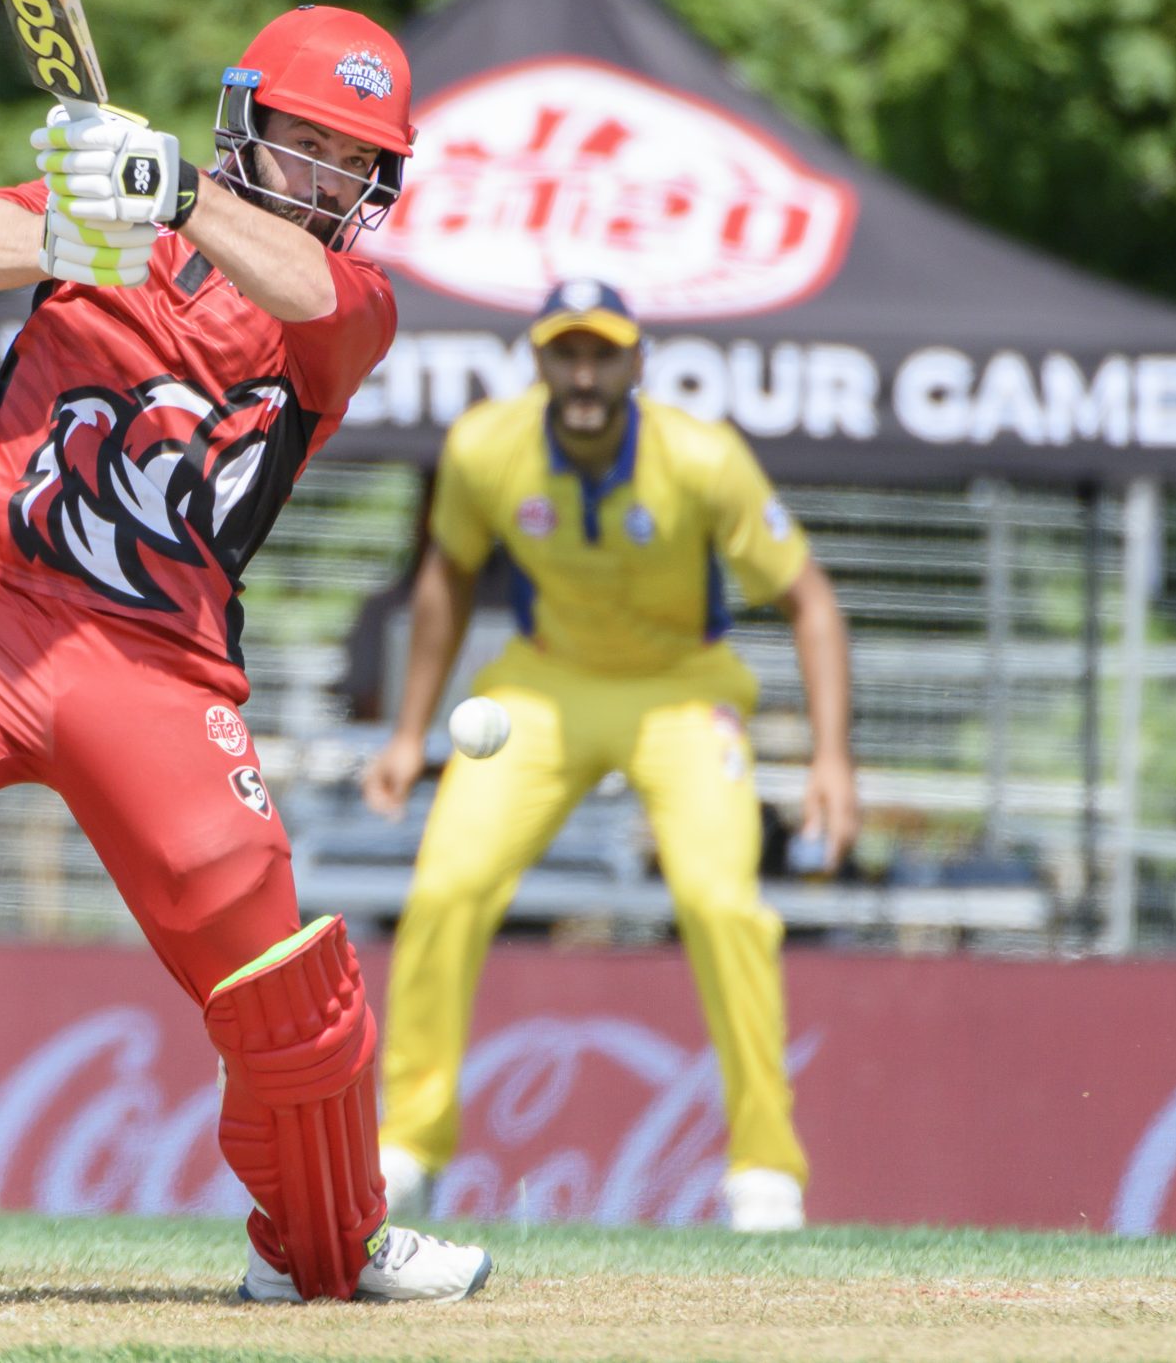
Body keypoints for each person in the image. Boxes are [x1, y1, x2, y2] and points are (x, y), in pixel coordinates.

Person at [0, 6, 490, 1303]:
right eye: (307, 144)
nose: (328, 179)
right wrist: (79, 231)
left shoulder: (351, 309)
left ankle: (327, 1246)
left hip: (160, 663)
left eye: (356, 161)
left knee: (275, 964)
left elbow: (305, 290)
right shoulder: (115, 214)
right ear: (248, 126)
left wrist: (172, 195)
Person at [360, 279, 858, 1233]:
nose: (583, 376)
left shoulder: (703, 457)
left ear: (638, 362)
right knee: (448, 883)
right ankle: (411, 1141)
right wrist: (407, 734)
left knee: (721, 903)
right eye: (566, 354)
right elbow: (445, 576)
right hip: (544, 683)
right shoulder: (484, 448)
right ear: (539, 362)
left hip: (683, 689)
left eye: (602, 355)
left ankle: (765, 1167)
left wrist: (832, 759)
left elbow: (812, 601)